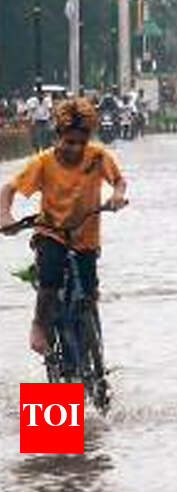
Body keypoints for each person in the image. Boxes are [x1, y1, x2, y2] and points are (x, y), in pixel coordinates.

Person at [0, 98, 128, 355]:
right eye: (70, 142)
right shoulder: (43, 163)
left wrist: (116, 196)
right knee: (50, 280)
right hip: (51, 232)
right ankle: (39, 325)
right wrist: (5, 216)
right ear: (57, 136)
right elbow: (8, 189)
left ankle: (94, 362)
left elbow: (119, 181)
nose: (76, 148)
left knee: (89, 294)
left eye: (82, 142)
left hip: (86, 237)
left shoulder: (97, 157)